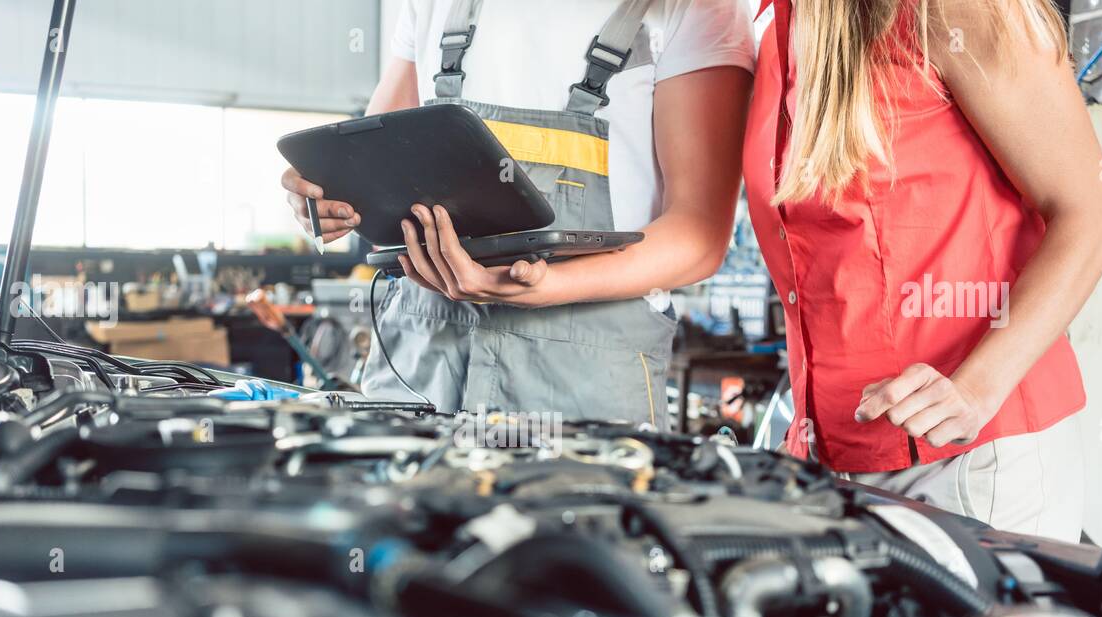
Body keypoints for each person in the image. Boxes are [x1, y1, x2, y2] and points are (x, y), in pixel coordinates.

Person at [743, 0, 1102, 542]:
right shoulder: (779, 27)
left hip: (973, 464)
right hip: (839, 461)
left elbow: (1091, 214)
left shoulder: (949, 9)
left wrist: (975, 390)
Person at [281, 0, 755, 430]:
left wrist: (548, 287)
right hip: (419, 367)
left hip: (583, 392)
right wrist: (326, 200)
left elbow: (699, 237)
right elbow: (370, 170)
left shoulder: (691, 8)